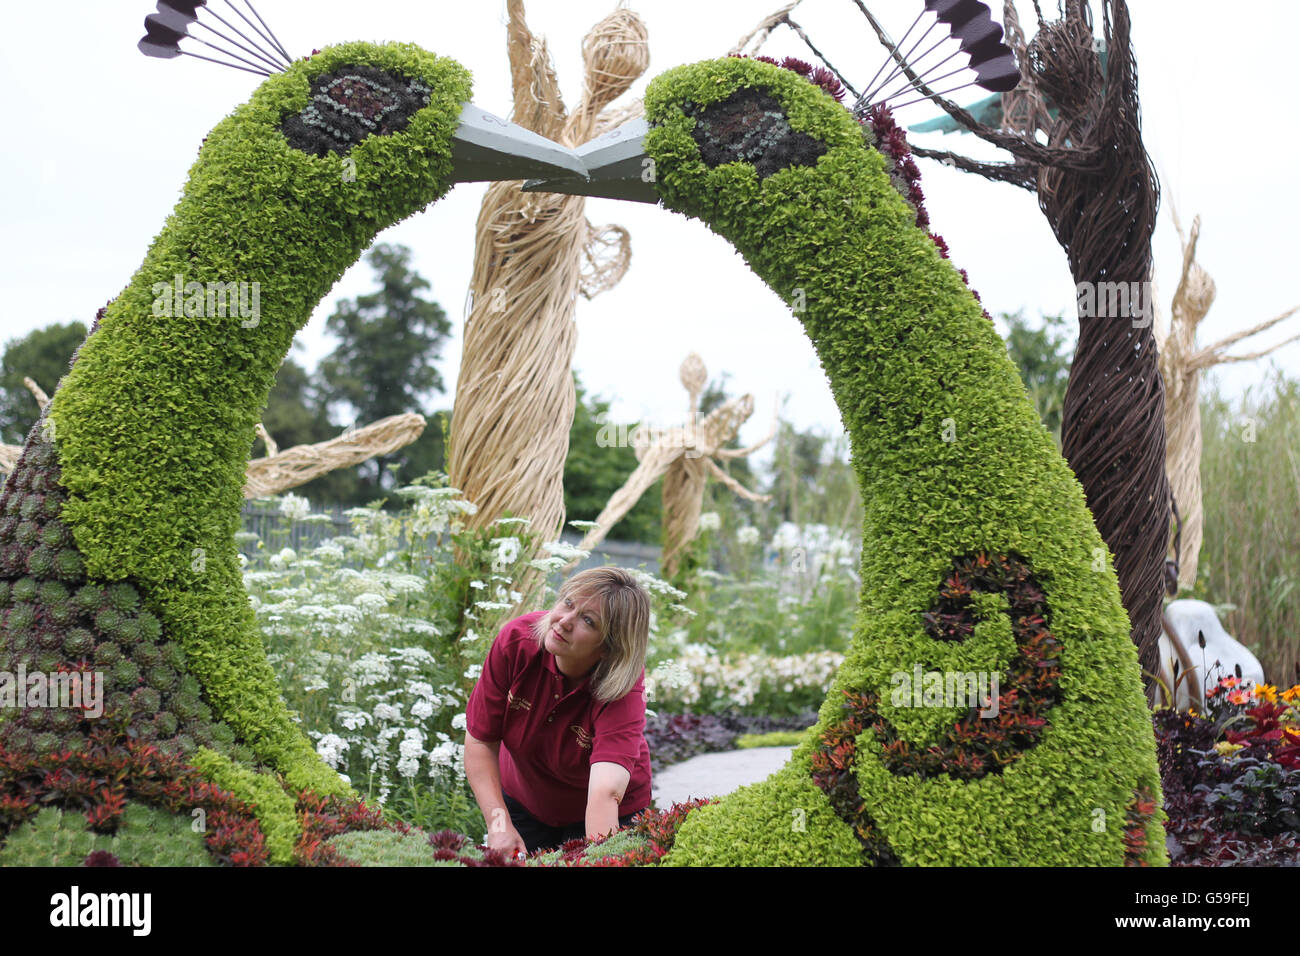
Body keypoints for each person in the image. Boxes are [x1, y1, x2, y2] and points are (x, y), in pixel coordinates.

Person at [464, 566, 653, 857]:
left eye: (588, 621)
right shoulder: (517, 642)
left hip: (603, 811)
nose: (564, 622)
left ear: (609, 647)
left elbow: (605, 792)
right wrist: (499, 825)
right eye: (568, 603)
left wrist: (600, 861)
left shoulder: (622, 685)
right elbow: (480, 741)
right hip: (525, 801)